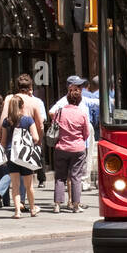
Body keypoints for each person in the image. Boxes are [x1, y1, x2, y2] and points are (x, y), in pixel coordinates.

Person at [48, 77, 93, 214]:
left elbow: (54, 127)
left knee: (60, 177)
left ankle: (57, 205)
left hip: (61, 147)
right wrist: (79, 139)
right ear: (79, 100)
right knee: (76, 178)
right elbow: (86, 133)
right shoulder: (82, 113)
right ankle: (75, 205)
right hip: (78, 148)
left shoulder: (60, 112)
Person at [1, 95, 42, 218]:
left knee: (15, 185)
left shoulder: (6, 122)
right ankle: (33, 209)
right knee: (28, 185)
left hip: (11, 153)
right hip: (24, 154)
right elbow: (36, 138)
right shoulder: (28, 120)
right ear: (22, 106)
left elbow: (3, 141)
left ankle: (17, 211)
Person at [4, 74, 47, 187]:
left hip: (12, 142)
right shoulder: (34, 102)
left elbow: (3, 121)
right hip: (28, 143)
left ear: (17, 86)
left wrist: (2, 140)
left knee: (14, 174)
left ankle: (19, 201)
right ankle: (26, 202)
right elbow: (40, 125)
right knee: (26, 175)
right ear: (30, 87)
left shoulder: (9, 99)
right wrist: (38, 141)